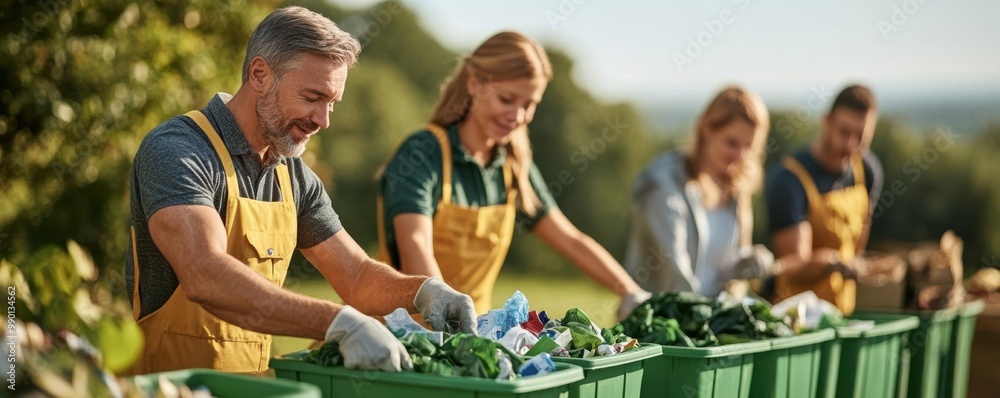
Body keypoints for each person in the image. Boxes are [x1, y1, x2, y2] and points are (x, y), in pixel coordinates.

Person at [124, 6, 475, 375]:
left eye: (332, 104)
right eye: (312, 98)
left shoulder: (293, 177)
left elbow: (356, 276)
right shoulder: (178, 149)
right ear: (260, 74)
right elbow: (204, 273)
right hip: (166, 387)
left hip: (254, 386)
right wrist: (338, 322)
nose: (323, 120)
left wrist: (424, 291)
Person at [375, 31, 649, 321]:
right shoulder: (422, 153)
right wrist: (451, 328)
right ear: (474, 84)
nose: (518, 116)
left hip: (475, 337)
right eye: (507, 99)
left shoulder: (513, 164)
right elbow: (414, 243)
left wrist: (631, 293)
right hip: (402, 335)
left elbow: (571, 240)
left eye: (529, 104)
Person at [624, 87, 774, 298]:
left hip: (710, 322)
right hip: (661, 324)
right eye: (731, 143)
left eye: (749, 146)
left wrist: (748, 265)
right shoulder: (663, 186)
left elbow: (723, 274)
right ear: (707, 129)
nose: (741, 155)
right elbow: (676, 283)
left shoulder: (737, 190)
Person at [766, 84, 883, 315]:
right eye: (844, 132)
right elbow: (794, 267)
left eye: (860, 136)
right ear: (827, 121)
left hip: (843, 312)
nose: (850, 144)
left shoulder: (867, 171)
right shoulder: (789, 180)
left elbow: (860, 240)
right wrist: (835, 262)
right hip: (797, 320)